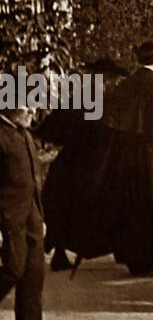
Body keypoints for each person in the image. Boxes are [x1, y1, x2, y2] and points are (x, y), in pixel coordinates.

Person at [103, 39, 153, 276]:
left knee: (132, 204)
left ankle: (135, 259)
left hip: (127, 153)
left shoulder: (124, 86)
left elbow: (111, 120)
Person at [40, 56, 126, 271]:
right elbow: (93, 130)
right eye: (111, 77)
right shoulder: (93, 97)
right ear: (104, 76)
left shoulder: (84, 94)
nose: (112, 82)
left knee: (66, 206)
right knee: (84, 204)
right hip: (85, 161)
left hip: (74, 160)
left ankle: (61, 250)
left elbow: (55, 125)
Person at [0, 103, 57, 320]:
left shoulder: (24, 134)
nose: (33, 113)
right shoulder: (1, 135)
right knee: (14, 268)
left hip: (31, 214)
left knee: (34, 272)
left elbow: (33, 178)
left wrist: (40, 218)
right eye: (27, 108)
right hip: (8, 215)